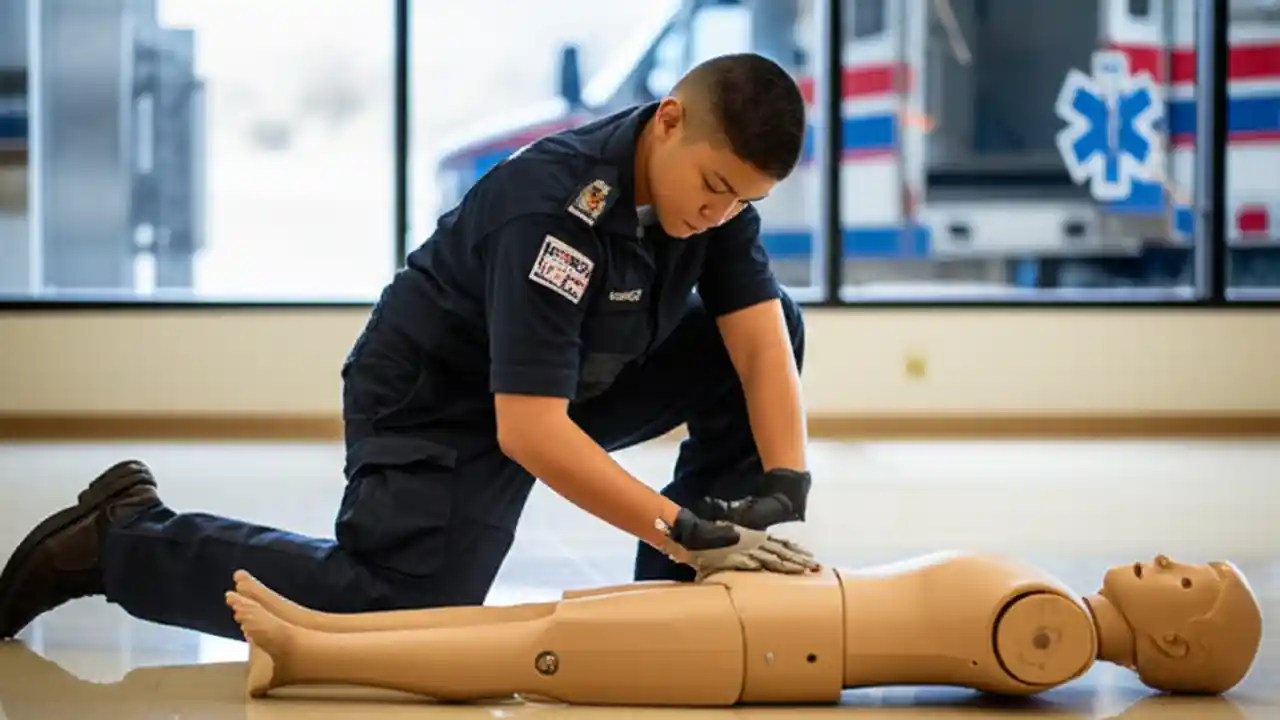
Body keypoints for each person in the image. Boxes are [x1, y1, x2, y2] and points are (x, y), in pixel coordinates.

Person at [0, 52, 821, 642]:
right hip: (440, 403)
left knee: (776, 322)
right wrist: (676, 523)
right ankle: (124, 538)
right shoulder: (553, 209)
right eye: (715, 189)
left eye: (742, 202)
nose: (720, 214)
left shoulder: (713, 204)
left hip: (562, 378)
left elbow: (758, 345)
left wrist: (785, 487)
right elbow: (527, 434)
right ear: (667, 121)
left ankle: (687, 603)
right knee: (398, 614)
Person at [219, 551, 1264, 705]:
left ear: (1171, 650)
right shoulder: (1052, 611)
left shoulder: (1055, 637)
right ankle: (320, 625)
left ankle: (307, 653)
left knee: (523, 654)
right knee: (528, 618)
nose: (1163, 564)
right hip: (775, 611)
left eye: (1185, 586)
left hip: (760, 651)